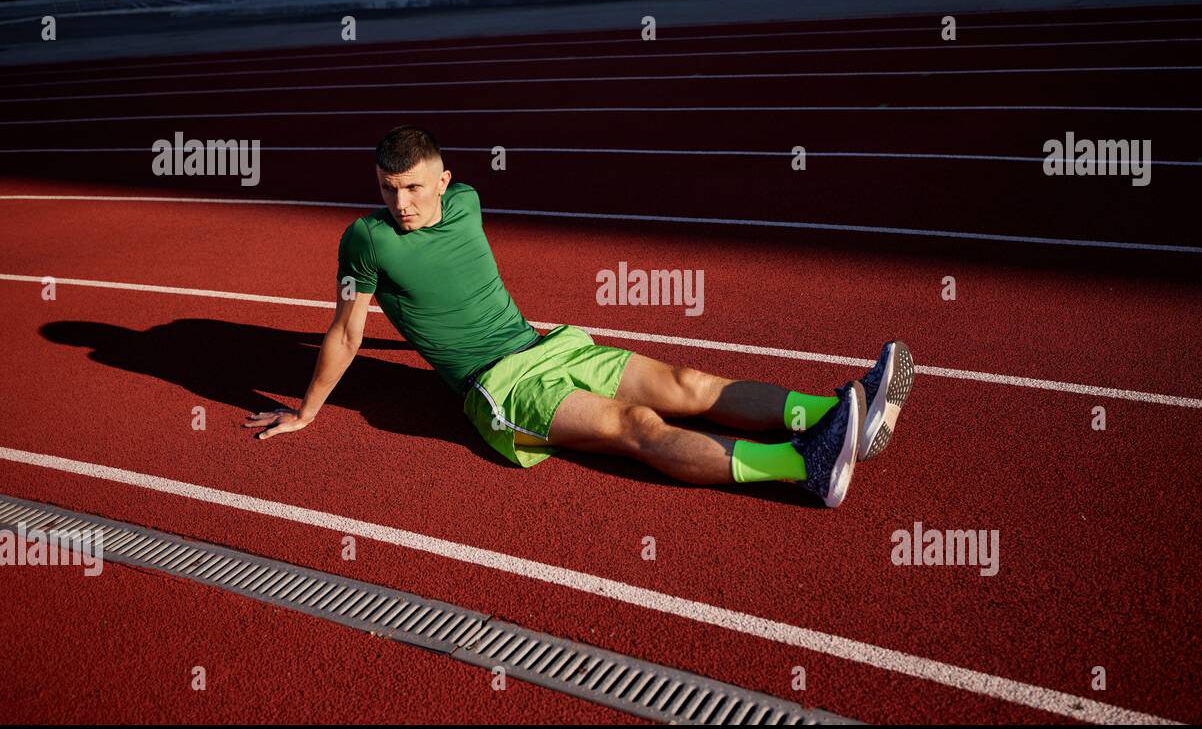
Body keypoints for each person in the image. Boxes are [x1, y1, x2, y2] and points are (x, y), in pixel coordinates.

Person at [244, 126, 913, 507]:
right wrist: (306, 409)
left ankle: (829, 415)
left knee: (687, 383)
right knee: (636, 426)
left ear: (445, 181)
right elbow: (346, 331)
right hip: (498, 385)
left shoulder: (470, 200)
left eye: (415, 187)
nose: (402, 202)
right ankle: (803, 466)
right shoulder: (367, 238)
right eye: (388, 189)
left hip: (548, 344)